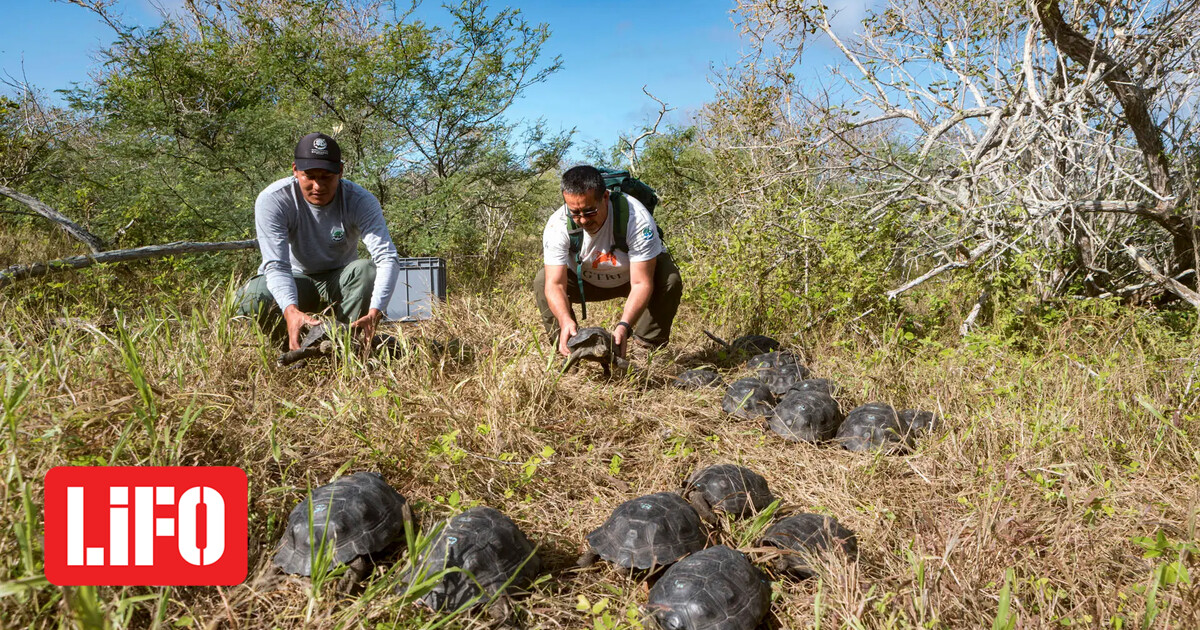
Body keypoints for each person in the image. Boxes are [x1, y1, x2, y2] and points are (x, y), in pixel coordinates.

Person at [236, 132, 401, 351]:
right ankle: (289, 347)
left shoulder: (360, 200)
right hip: (296, 279)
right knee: (252, 295)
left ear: (340, 171)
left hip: (340, 282)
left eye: (326, 177)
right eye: (309, 176)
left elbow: (386, 257)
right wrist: (290, 309)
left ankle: (343, 346)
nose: (317, 186)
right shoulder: (274, 199)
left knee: (367, 270)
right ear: (295, 170)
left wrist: (376, 310)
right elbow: (276, 265)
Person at [534, 164, 683, 357]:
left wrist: (624, 326)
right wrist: (564, 320)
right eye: (575, 213)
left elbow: (641, 283)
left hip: (630, 280)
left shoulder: (636, 219)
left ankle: (645, 350)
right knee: (542, 280)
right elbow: (555, 284)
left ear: (605, 197)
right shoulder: (558, 224)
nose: (583, 220)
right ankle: (567, 347)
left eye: (589, 212)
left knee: (669, 279)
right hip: (584, 282)